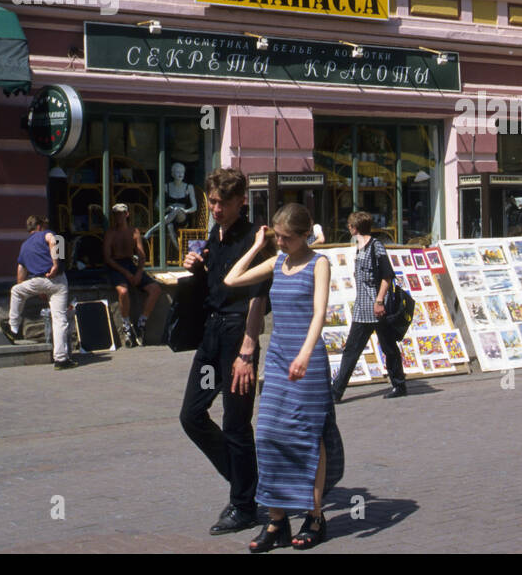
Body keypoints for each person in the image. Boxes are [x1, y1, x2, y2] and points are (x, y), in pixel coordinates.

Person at [225, 203, 345, 551]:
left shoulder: (318, 263)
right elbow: (232, 279)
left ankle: (315, 516)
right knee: (267, 435)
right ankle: (277, 520)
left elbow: (319, 314)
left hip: (307, 360)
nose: (281, 243)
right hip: (278, 360)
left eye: (287, 238)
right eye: (277, 236)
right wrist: (254, 246)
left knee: (309, 437)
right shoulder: (277, 261)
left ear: (305, 235)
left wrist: (306, 353)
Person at [178, 168, 272, 536]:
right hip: (211, 334)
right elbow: (209, 289)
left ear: (240, 201)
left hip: (237, 335)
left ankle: (244, 505)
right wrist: (195, 270)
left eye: (223, 203)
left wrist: (248, 350)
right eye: (212, 201)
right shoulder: (211, 237)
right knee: (192, 415)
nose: (215, 208)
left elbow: (257, 298)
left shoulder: (256, 239)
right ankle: (245, 482)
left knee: (235, 422)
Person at [330, 212, 406, 402]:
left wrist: (380, 300)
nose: (348, 228)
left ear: (355, 228)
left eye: (349, 225)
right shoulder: (360, 247)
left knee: (388, 347)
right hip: (362, 308)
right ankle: (336, 391)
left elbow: (387, 276)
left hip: (376, 306)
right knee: (352, 350)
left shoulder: (376, 247)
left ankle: (399, 384)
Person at [4, 216, 74, 370]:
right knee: (59, 319)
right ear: (39, 226)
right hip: (58, 280)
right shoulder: (45, 233)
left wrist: (38, 290)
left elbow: (20, 273)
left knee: (16, 291)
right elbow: (54, 240)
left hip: (38, 280)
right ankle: (61, 359)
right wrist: (55, 264)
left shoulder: (24, 246)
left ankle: (13, 328)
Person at [103, 202, 162, 346]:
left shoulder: (134, 231)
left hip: (131, 264)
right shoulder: (111, 233)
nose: (119, 216)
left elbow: (141, 254)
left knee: (155, 289)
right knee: (123, 291)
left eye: (121, 213)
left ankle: (142, 323)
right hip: (116, 266)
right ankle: (126, 325)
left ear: (127, 214)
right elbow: (107, 258)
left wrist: (139, 272)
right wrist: (126, 273)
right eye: (116, 214)